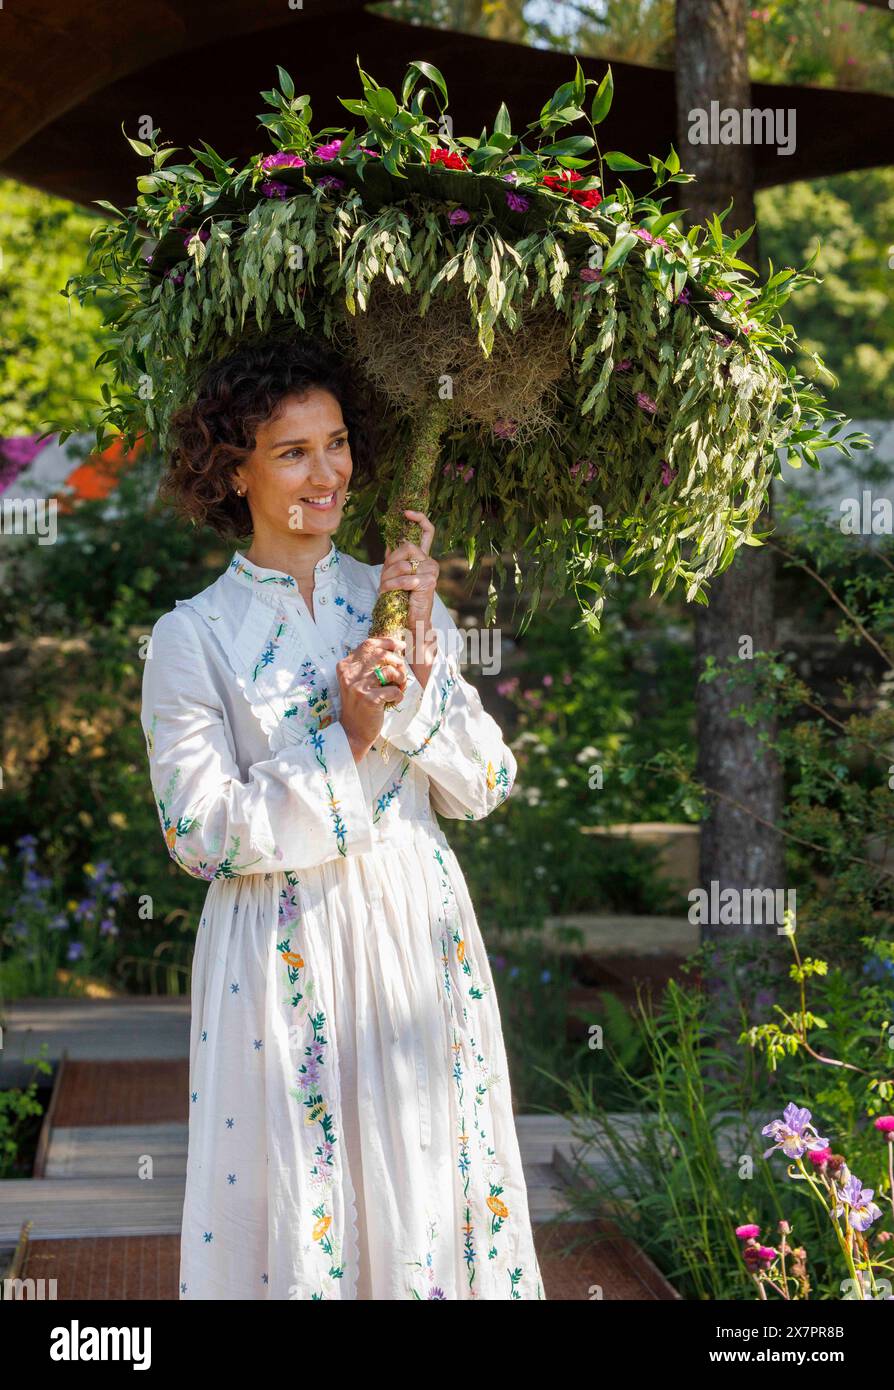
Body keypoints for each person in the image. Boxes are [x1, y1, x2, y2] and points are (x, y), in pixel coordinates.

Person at [141, 337, 545, 1300]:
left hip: (418, 926)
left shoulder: (397, 598)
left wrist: (412, 684)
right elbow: (199, 833)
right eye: (291, 452)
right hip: (284, 946)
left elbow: (485, 781)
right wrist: (348, 739)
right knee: (301, 1185)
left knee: (427, 1183)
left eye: (336, 443)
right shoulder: (192, 638)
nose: (327, 474)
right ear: (231, 471)